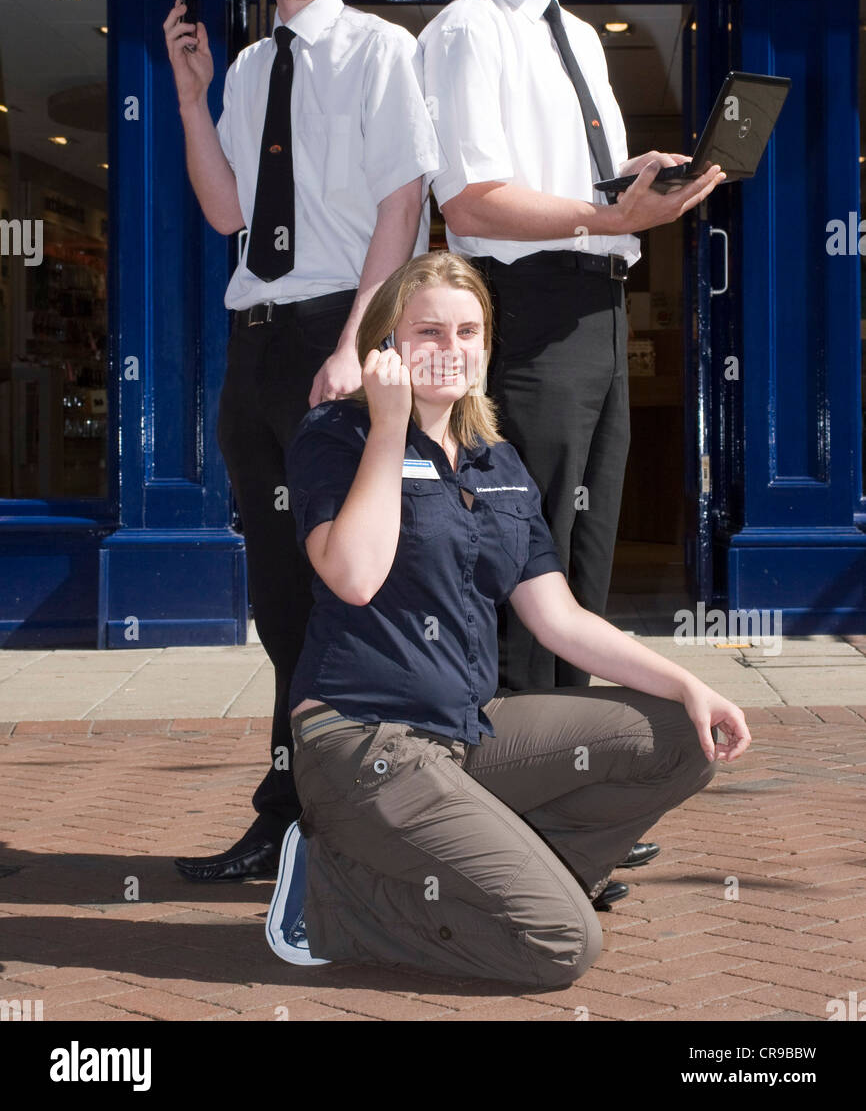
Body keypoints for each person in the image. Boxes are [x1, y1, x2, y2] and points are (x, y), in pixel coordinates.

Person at [265, 251, 750, 986]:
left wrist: (689, 684)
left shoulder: (499, 463)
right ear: (386, 343)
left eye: (468, 331)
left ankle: (511, 874)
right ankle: (337, 898)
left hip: (466, 735)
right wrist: (392, 426)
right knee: (559, 946)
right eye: (427, 331)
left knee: (683, 737)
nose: (450, 349)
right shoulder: (338, 435)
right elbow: (355, 576)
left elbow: (559, 618)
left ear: (487, 347)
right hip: (363, 745)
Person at [418, 0, 727, 895]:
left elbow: (570, 183)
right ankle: (501, 830)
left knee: (578, 577)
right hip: (532, 314)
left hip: (596, 308)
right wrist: (605, 212)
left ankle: (563, 816)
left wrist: (637, 181)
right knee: (519, 577)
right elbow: (469, 201)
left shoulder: (579, 36)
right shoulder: (463, 33)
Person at [163, 0, 439, 882]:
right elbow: (229, 213)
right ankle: (291, 814)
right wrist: (192, 96)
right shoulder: (243, 66)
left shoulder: (379, 52)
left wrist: (354, 344)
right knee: (281, 605)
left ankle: (342, 816)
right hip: (256, 347)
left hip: (334, 335)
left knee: (345, 596)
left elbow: (401, 203)